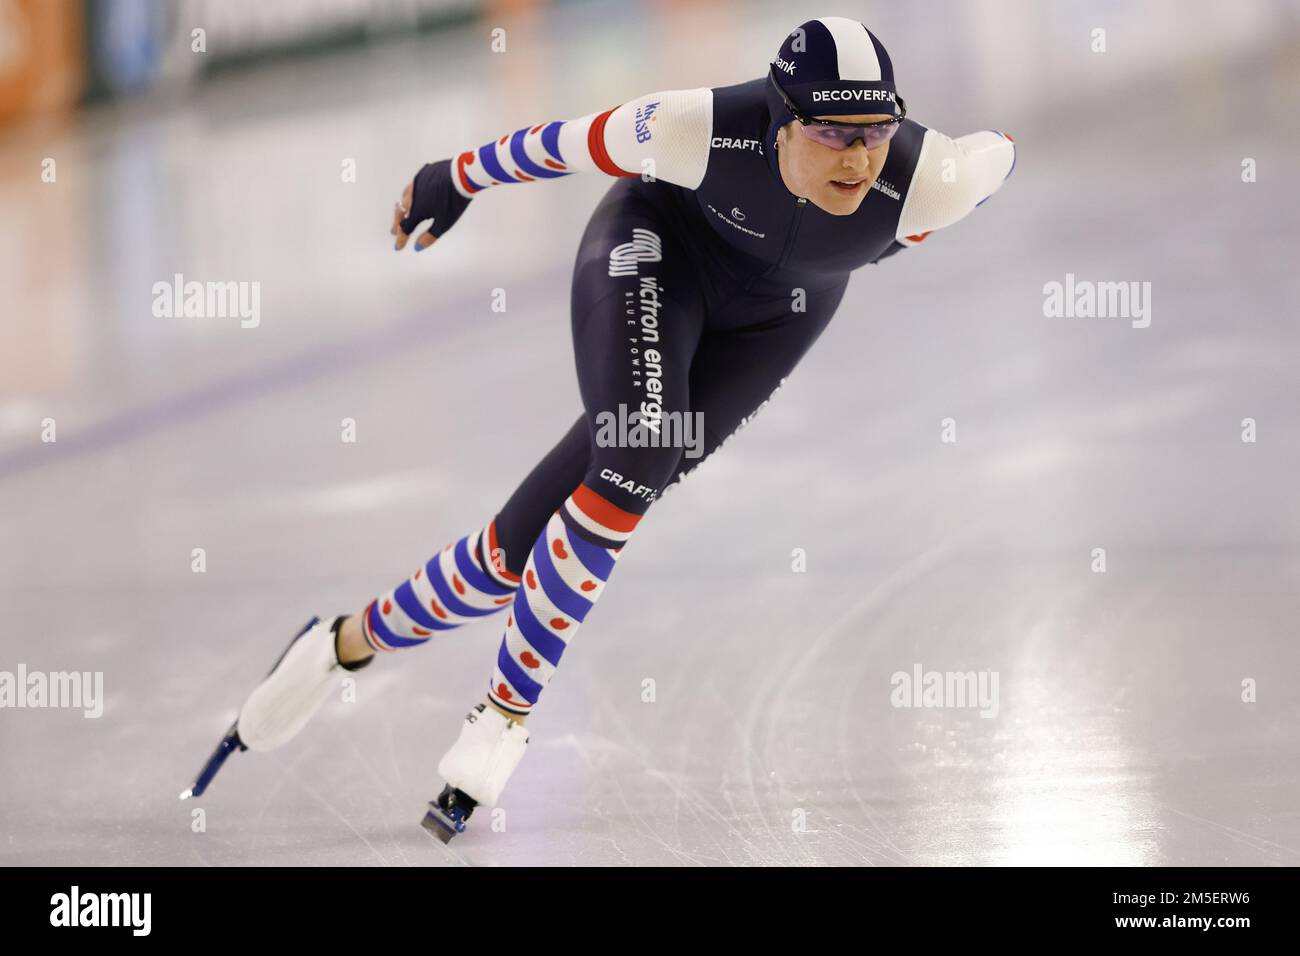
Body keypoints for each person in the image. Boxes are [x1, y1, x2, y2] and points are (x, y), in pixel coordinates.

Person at [213, 16, 1015, 840]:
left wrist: (897, 229)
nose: (858, 157)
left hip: (783, 316)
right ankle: (501, 721)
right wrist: (452, 177)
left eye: (877, 131)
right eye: (832, 132)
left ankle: (341, 643)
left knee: (506, 564)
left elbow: (1002, 150)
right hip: (654, 251)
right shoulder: (692, 129)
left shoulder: (937, 177)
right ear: (779, 119)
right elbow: (559, 143)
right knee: (639, 451)